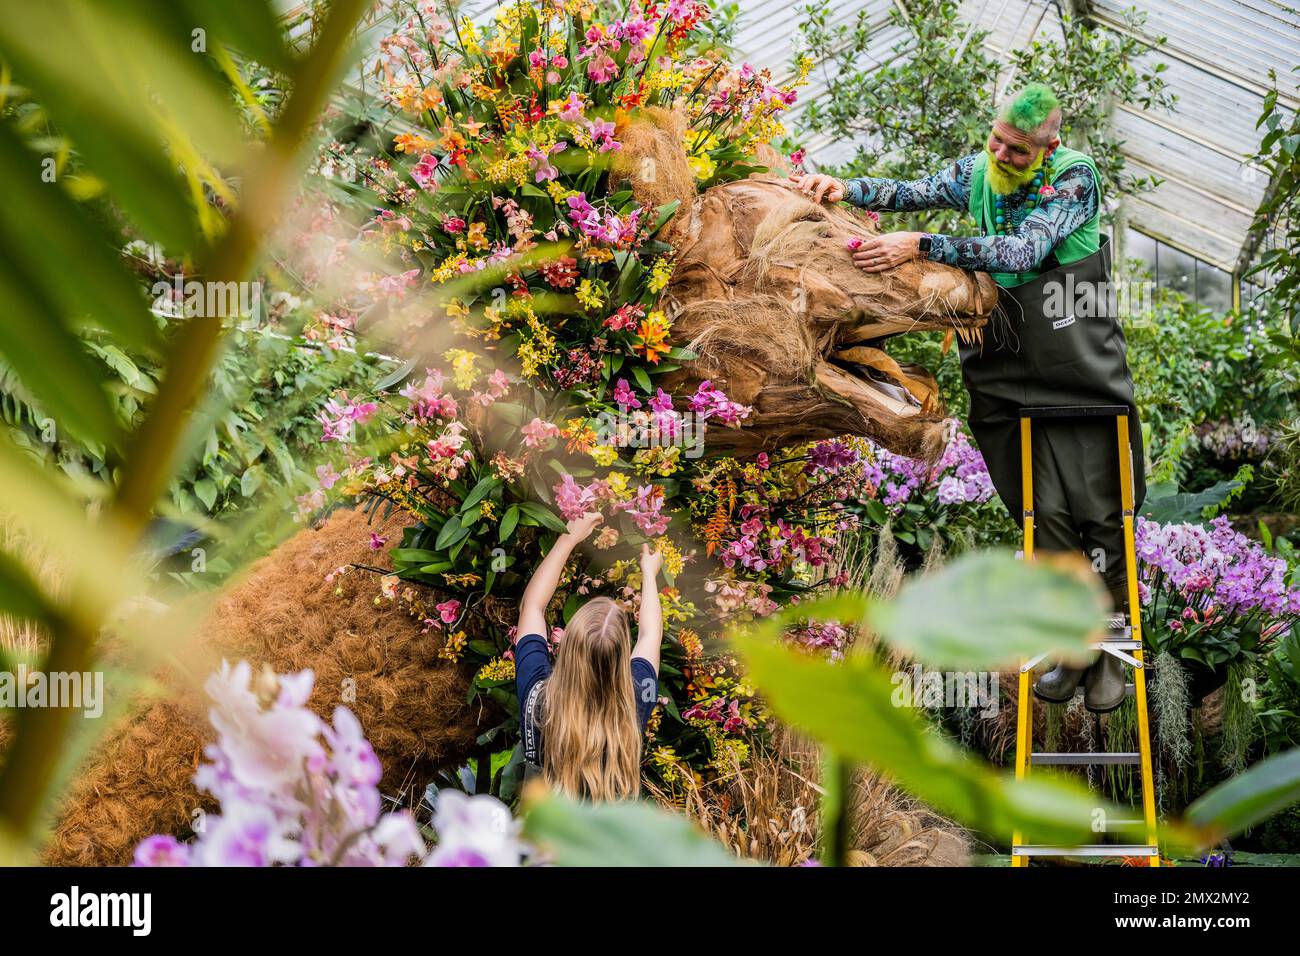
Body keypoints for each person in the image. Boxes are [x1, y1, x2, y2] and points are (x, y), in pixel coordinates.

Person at [790, 83, 1142, 713]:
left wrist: (923, 245)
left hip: (1077, 367)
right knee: (1041, 509)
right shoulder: (981, 170)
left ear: (1049, 146)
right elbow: (912, 189)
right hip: (1009, 368)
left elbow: (1023, 251)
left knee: (1100, 505)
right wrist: (846, 188)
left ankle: (1114, 647)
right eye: (996, 141)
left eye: (1017, 150)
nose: (1002, 156)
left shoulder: (1073, 179)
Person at [513, 511, 663, 799]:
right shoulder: (634, 703)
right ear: (621, 659)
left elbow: (532, 607)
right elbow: (650, 636)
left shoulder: (538, 697)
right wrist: (649, 573)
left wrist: (568, 537)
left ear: (567, 648)